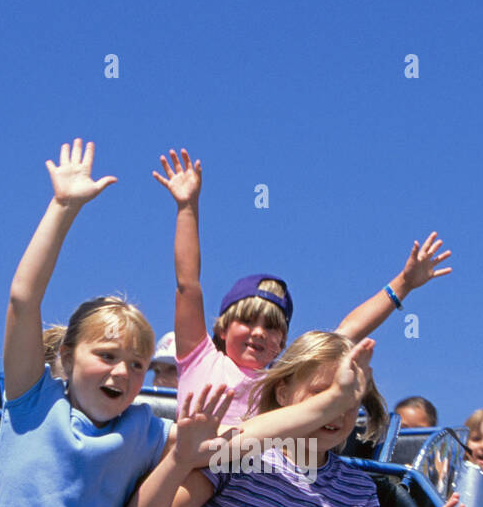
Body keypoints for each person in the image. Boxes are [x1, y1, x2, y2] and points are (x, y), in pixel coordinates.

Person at [0, 140, 369, 507]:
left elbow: (227, 444)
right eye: (107, 355)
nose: (123, 371)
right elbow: (22, 300)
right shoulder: (31, 399)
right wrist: (63, 208)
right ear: (68, 355)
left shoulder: (141, 428)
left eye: (138, 364)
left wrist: (320, 411)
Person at [122, 331, 463, 507]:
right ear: (283, 392)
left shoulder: (357, 493)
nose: (338, 412)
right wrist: (181, 459)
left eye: (349, 400)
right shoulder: (238, 456)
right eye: (324, 395)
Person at [153, 148, 452, 425]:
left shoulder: (282, 385)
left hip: (252, 481)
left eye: (271, 327)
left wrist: (404, 284)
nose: (259, 332)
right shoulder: (199, 356)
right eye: (246, 321)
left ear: (283, 342)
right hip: (195, 472)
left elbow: (347, 331)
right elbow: (188, 285)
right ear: (222, 329)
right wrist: (188, 207)